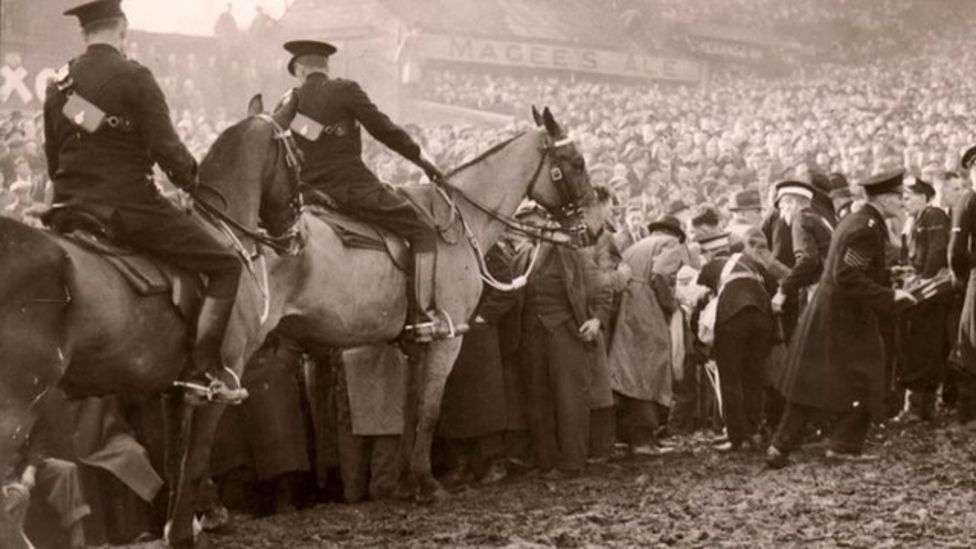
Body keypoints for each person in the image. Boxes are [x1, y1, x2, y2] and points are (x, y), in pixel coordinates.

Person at [44, 0, 244, 402]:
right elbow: (168, 150)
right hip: (128, 207)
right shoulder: (135, 77)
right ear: (122, 30)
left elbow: (52, 158)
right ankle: (203, 371)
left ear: (85, 34)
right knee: (226, 264)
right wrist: (191, 180)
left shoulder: (59, 84)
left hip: (68, 208)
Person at [278, 39, 449, 340]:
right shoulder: (345, 90)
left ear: (300, 70)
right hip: (352, 189)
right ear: (325, 66)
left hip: (306, 196)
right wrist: (422, 160)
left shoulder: (287, 102)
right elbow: (384, 130)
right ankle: (422, 316)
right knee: (422, 230)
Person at [767, 170, 917, 468]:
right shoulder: (867, 227)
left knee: (812, 379)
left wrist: (888, 277)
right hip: (845, 317)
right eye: (900, 198)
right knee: (869, 373)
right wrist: (889, 297)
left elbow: (851, 269)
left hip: (830, 313)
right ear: (885, 198)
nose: (903, 203)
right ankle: (843, 446)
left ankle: (781, 447)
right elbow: (847, 274)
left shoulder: (858, 220)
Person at [696, 232, 777, 451]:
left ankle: (736, 436)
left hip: (732, 317)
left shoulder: (710, 267)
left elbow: (700, 299)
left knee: (730, 376)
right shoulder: (752, 262)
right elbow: (772, 286)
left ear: (709, 252)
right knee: (753, 374)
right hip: (762, 317)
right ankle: (753, 430)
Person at [896, 178, 949, 422]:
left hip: (930, 290)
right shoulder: (914, 220)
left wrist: (923, 279)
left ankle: (917, 407)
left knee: (923, 345)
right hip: (919, 285)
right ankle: (923, 406)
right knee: (919, 344)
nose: (904, 202)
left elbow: (937, 252)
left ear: (925, 197)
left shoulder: (933, 215)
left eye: (909, 197)